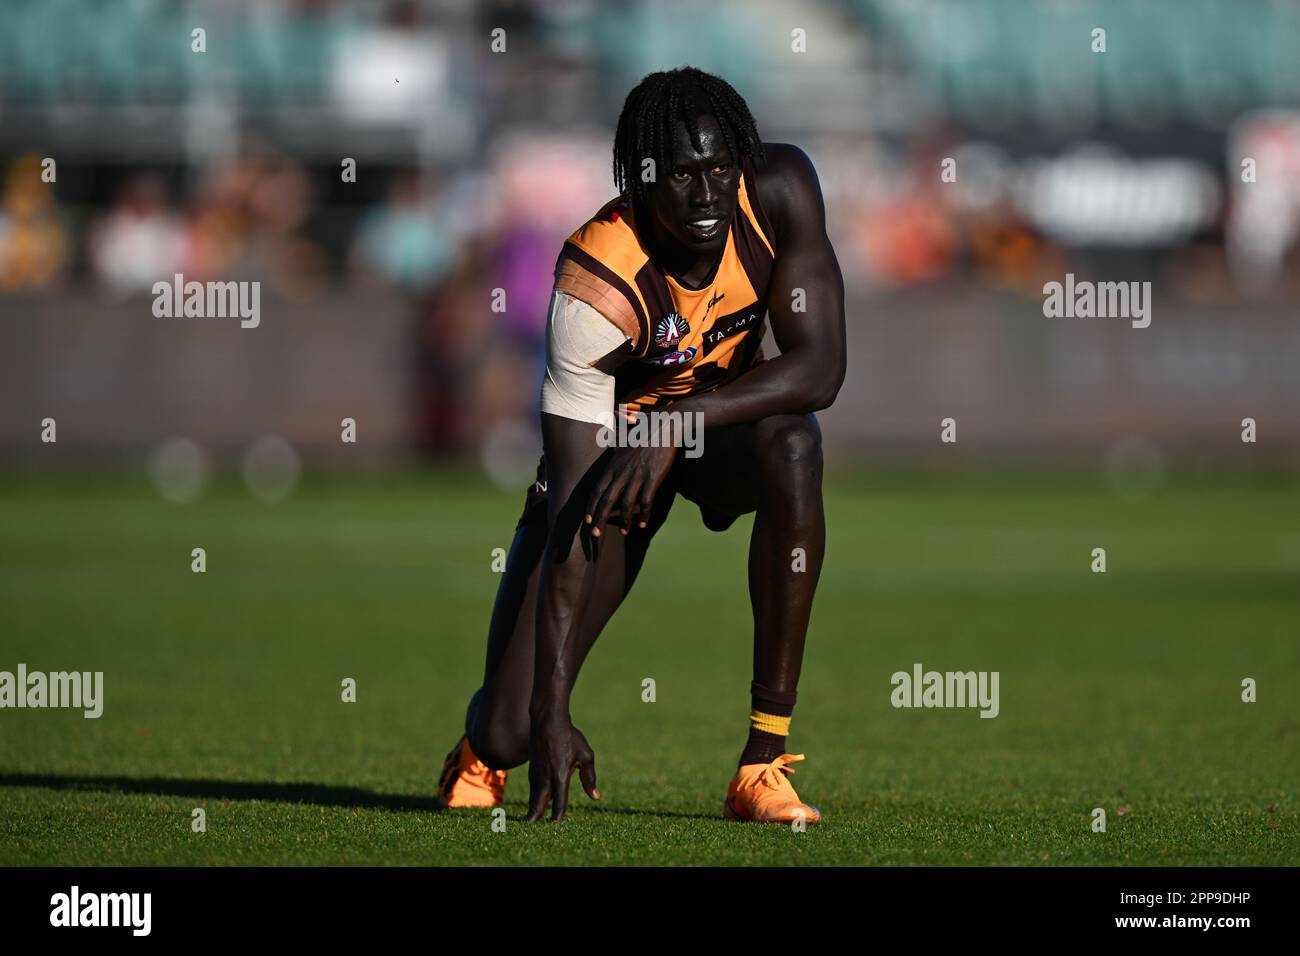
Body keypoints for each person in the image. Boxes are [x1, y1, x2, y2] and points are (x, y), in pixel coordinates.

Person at [437, 66, 846, 823]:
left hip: (712, 438)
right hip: (614, 467)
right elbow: (572, 514)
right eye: (683, 176)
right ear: (639, 179)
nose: (706, 196)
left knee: (794, 445)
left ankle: (763, 761)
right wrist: (552, 714)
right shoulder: (594, 281)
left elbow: (819, 369)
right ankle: (482, 745)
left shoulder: (780, 189)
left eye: (721, 170)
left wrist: (676, 423)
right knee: (512, 727)